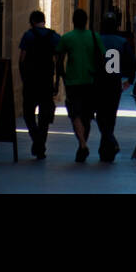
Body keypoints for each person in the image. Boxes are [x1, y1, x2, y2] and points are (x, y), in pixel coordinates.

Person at [56, 8, 106, 162]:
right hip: (90, 82)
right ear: (86, 21)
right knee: (87, 116)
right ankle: (82, 145)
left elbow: (59, 60)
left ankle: (82, 145)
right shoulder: (94, 36)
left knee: (75, 115)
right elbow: (104, 57)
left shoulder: (66, 38)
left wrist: (59, 79)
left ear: (73, 21)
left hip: (72, 82)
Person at [18, 9, 60, 159]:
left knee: (28, 114)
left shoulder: (28, 36)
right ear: (44, 21)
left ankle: (37, 140)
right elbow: (59, 61)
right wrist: (57, 83)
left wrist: (23, 78)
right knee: (44, 117)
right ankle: (40, 144)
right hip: (47, 81)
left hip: (31, 81)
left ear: (32, 22)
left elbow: (21, 59)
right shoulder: (54, 37)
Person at [96, 11, 136, 162]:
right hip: (115, 83)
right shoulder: (122, 42)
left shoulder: (97, 40)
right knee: (111, 114)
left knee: (100, 114)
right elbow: (132, 63)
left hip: (99, 82)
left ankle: (108, 143)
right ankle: (108, 145)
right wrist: (130, 80)